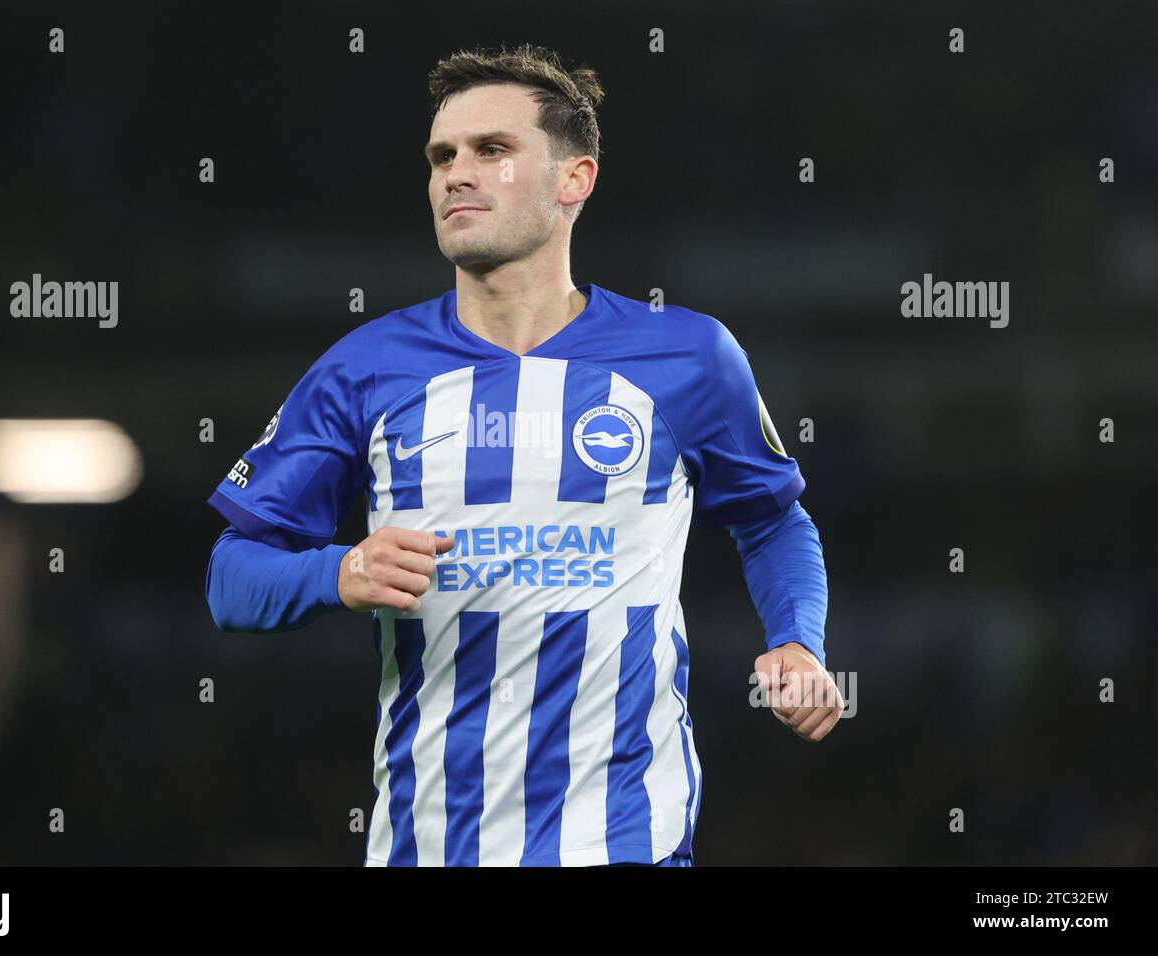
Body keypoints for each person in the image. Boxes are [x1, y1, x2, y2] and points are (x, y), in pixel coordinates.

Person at [205, 43, 842, 867]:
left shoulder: (689, 358)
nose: (455, 175)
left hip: (625, 847)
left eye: (491, 151)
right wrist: (337, 574)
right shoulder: (363, 367)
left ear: (574, 180)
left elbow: (772, 521)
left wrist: (797, 638)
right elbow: (231, 577)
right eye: (442, 157)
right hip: (426, 850)